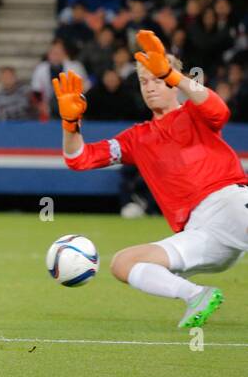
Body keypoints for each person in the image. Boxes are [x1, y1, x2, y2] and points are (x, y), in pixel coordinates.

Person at [55, 30, 244, 328]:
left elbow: (219, 109)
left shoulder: (194, 113)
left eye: (157, 80)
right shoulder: (137, 137)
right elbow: (78, 158)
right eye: (144, 81)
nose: (150, 88)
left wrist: (172, 74)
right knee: (122, 264)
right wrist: (70, 124)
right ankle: (197, 295)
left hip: (229, 203)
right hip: (199, 231)